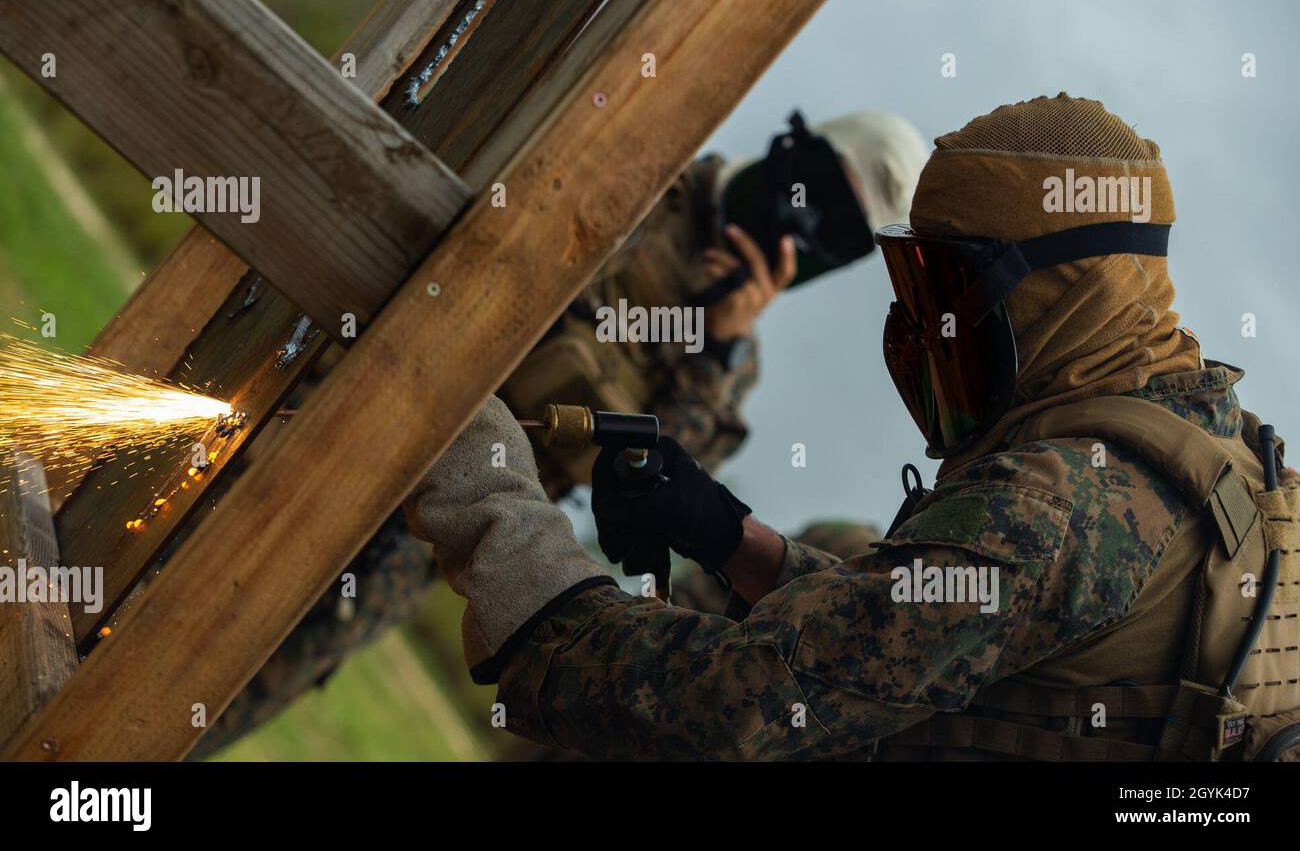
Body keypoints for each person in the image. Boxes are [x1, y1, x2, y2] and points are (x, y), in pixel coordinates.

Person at [405, 94, 1300, 761]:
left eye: (940, 294)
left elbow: (730, 707)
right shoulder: (1226, 469)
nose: (917, 330)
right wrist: (731, 536)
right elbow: (914, 647)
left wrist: (500, 524)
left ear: (1036, 293)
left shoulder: (1064, 505)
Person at [191, 108, 928, 758]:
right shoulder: (638, 185)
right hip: (351, 421)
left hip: (433, 533)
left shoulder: (732, 364)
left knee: (236, 693)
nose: (801, 221)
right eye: (817, 192)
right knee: (184, 567)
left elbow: (659, 482)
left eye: (834, 229)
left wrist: (715, 348)